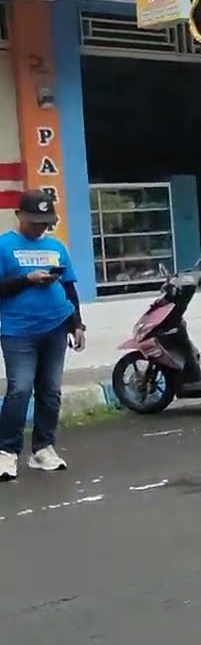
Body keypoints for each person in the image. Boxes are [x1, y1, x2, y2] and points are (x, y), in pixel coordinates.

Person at [0, 191, 85, 482]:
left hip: (56, 327)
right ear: (19, 215)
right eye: (35, 221)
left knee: (50, 391)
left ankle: (43, 449)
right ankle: (6, 452)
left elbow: (70, 289)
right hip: (17, 332)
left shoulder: (56, 247)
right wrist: (27, 280)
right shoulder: (3, 246)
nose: (40, 228)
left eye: (45, 222)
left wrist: (77, 324)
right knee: (20, 389)